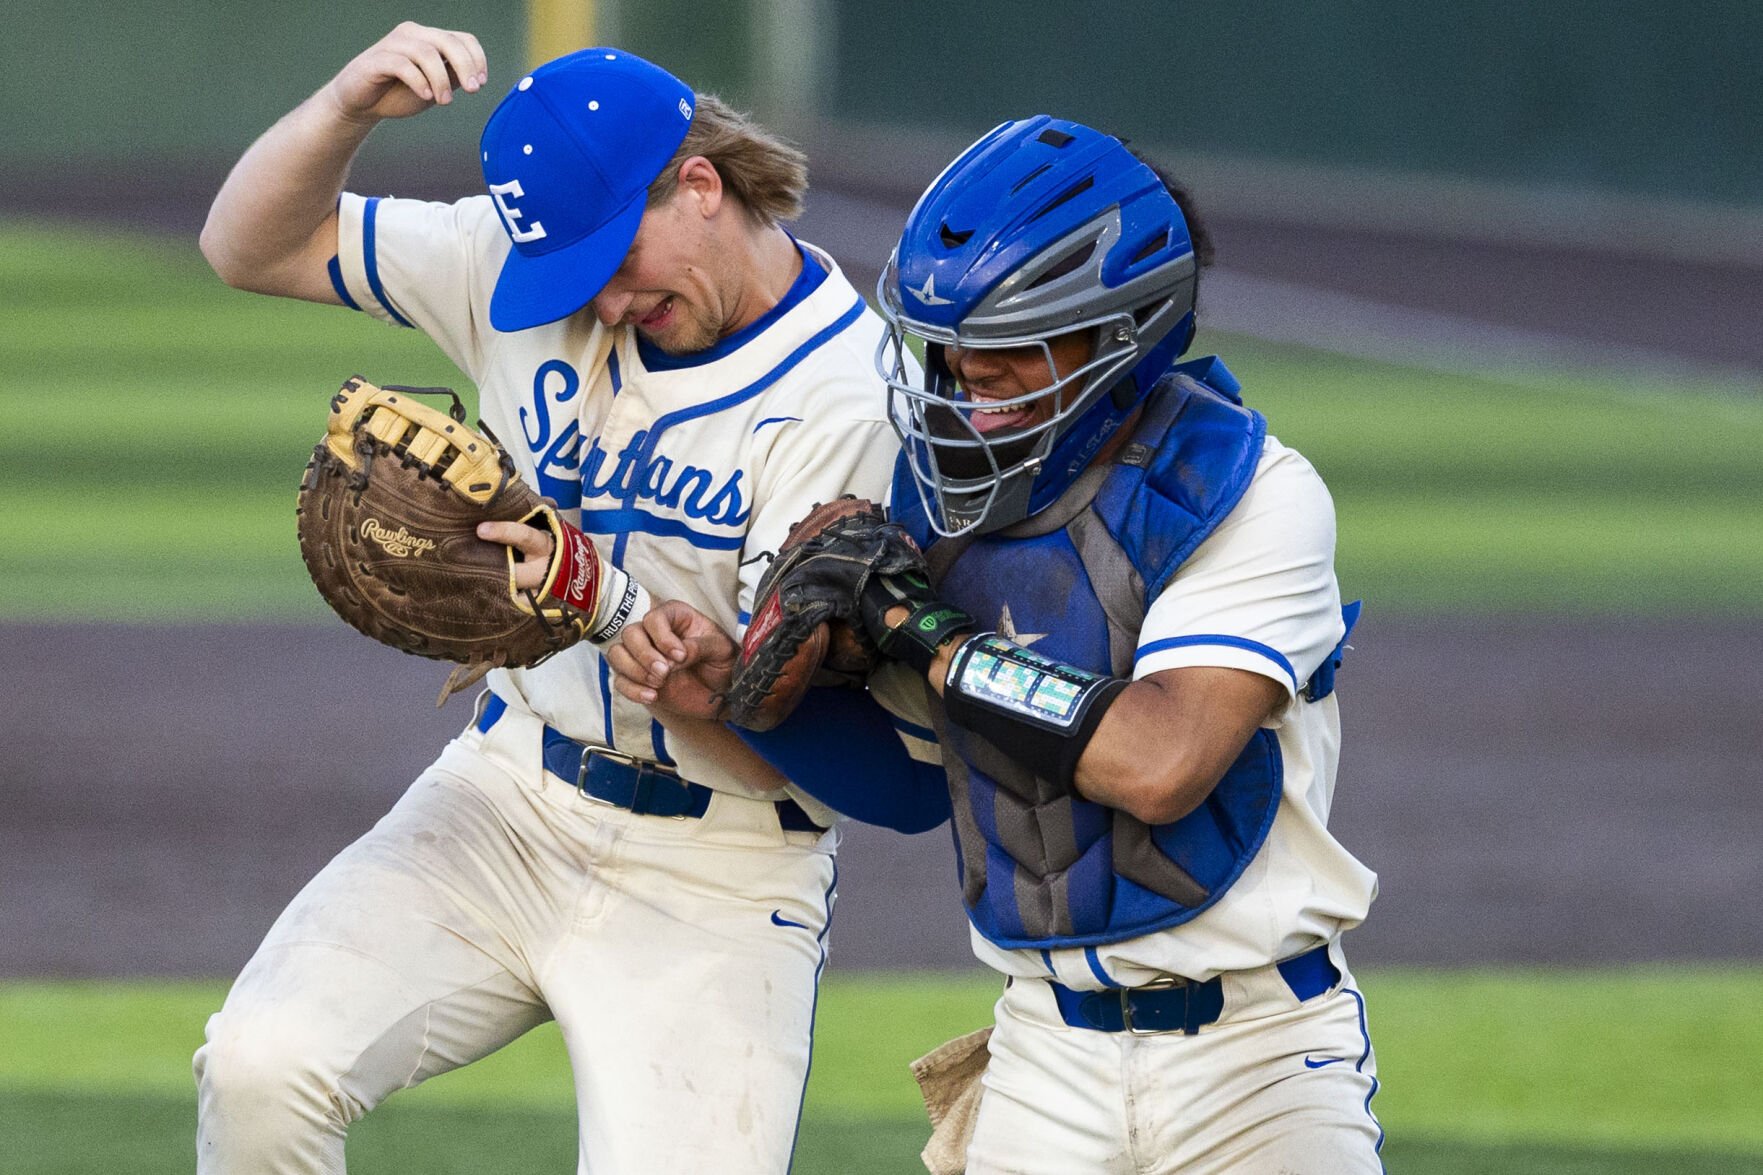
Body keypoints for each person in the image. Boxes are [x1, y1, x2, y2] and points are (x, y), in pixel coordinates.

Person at [192, 22, 905, 1174]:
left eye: (617, 259)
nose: (608, 300)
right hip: (504, 795)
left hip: (717, 864)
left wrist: (647, 639)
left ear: (700, 185)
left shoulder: (848, 403)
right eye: (578, 271)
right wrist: (343, 107)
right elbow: (247, 245)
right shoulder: (517, 269)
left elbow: (819, 750)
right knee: (260, 1067)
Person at [612, 116, 1384, 1173]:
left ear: (1118, 333)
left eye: (1008, 349)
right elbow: (909, 783)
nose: (966, 379)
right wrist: (745, 693)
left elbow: (1161, 762)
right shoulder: (929, 502)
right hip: (1041, 1053)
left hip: (1258, 1061)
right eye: (950, 348)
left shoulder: (1247, 495)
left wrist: (926, 633)